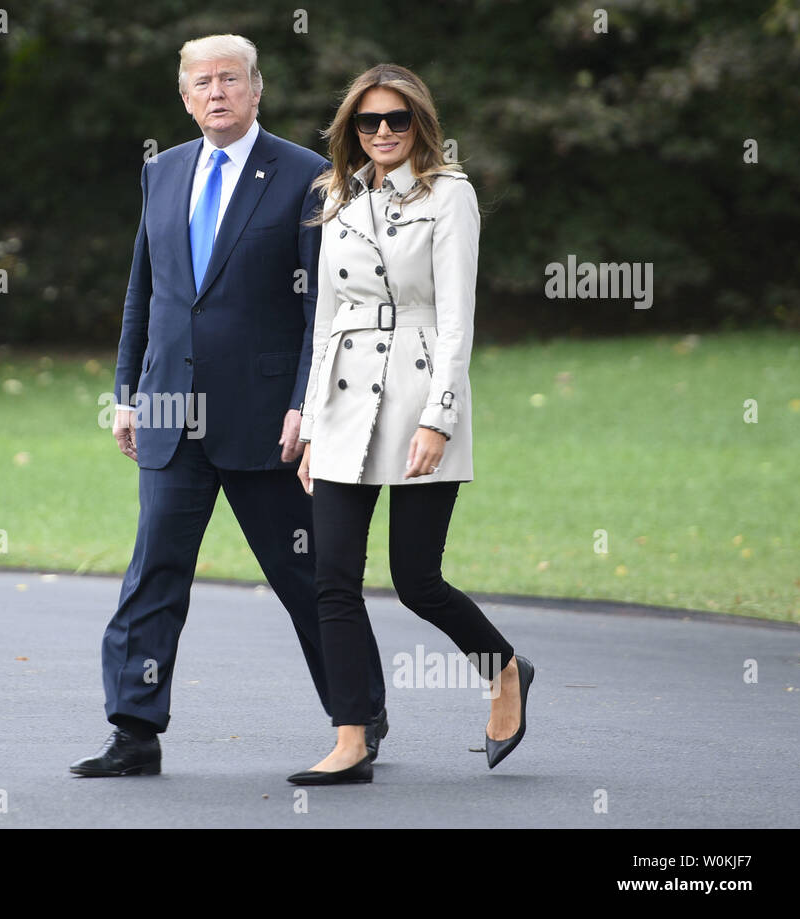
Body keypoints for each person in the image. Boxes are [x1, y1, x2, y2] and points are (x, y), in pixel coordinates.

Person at [70, 34, 389, 778]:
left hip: (266, 417)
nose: (217, 92)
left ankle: (361, 716)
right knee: (154, 572)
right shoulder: (163, 171)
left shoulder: (309, 176)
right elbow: (143, 292)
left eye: (231, 79)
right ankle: (134, 731)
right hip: (168, 412)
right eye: (202, 82)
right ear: (185, 97)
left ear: (257, 90)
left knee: (305, 576)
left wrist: (306, 405)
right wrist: (127, 393)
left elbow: (328, 306)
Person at [285, 64, 533, 786]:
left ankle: (505, 669)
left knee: (416, 580)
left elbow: (457, 319)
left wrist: (439, 419)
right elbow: (325, 319)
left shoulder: (450, 195)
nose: (384, 133)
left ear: (420, 124)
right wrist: (310, 421)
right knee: (331, 578)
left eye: (397, 120)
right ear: (352, 131)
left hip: (421, 394)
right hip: (340, 402)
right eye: (369, 122)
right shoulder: (335, 196)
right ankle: (351, 736)